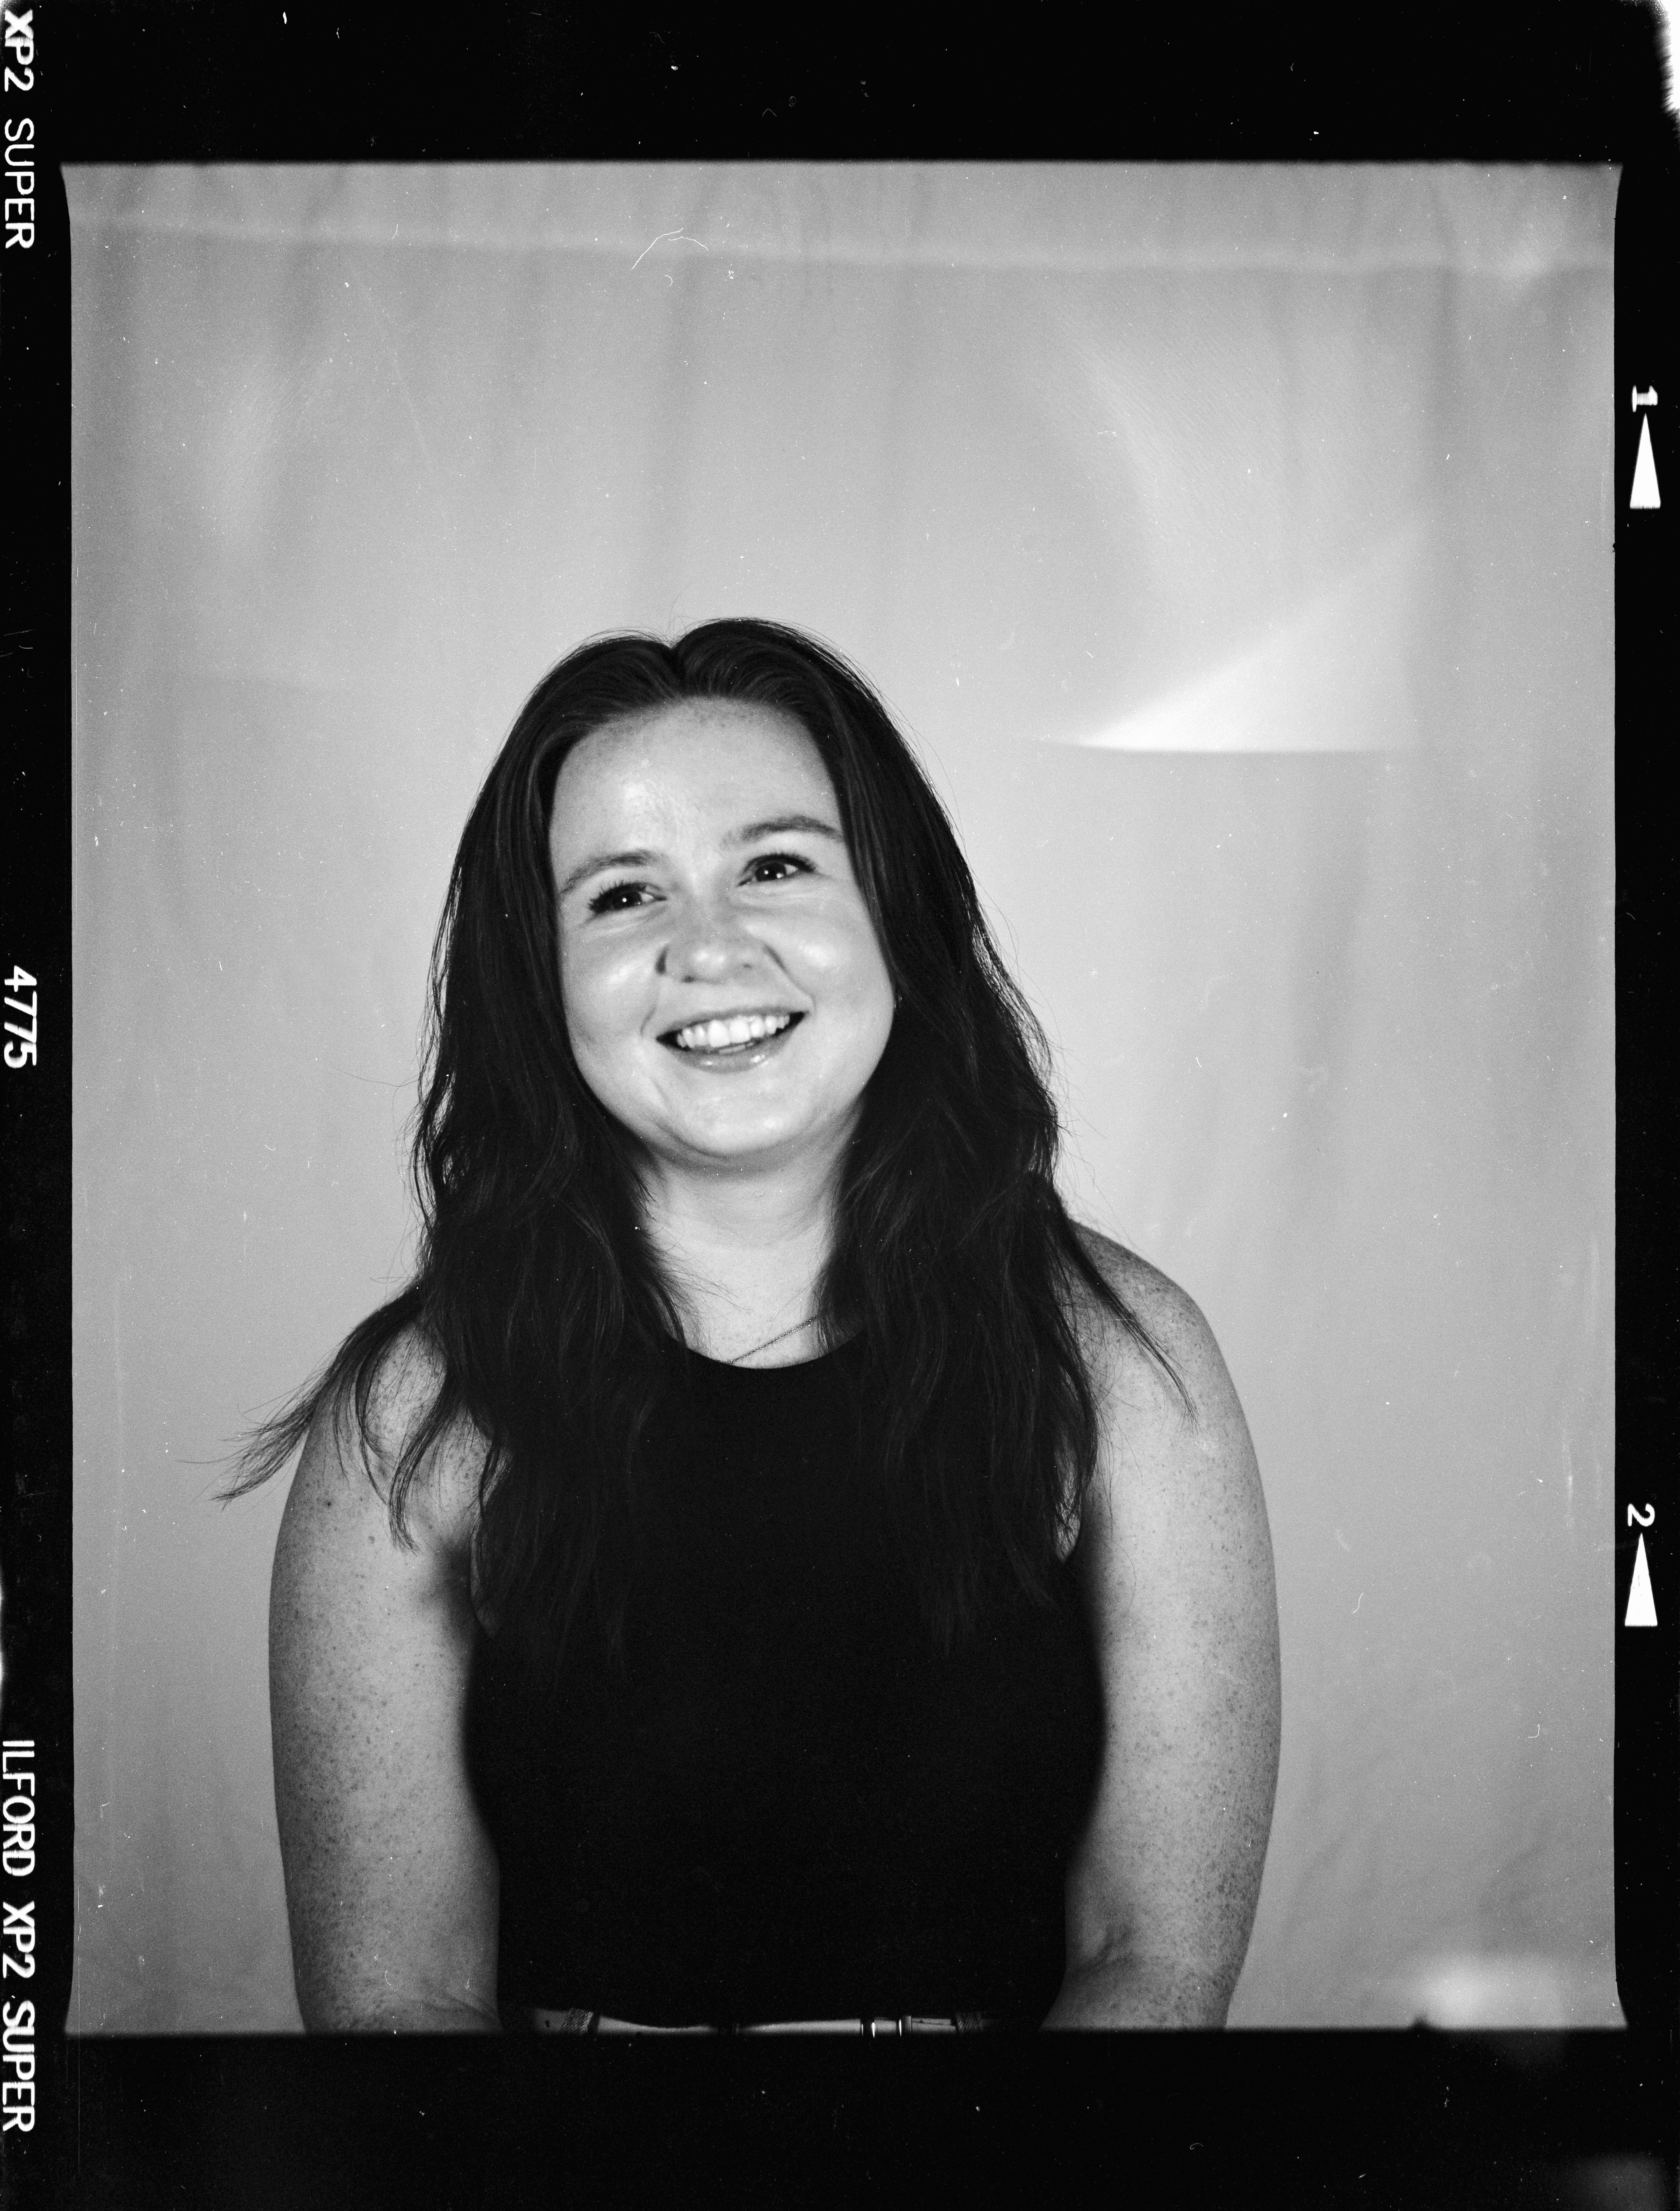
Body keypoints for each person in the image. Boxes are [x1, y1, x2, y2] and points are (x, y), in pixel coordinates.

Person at [238, 618, 1280, 2033]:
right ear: (539, 983)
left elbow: (1154, 1958)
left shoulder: (1125, 1363)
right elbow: (397, 2013)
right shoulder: (414, 1416)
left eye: (777, 865)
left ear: (898, 917)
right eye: (620, 896)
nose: (707, 948)